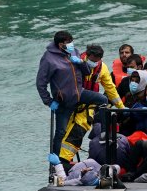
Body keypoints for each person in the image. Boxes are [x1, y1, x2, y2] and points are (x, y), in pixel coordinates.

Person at [36, 31, 109, 163]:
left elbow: (86, 71)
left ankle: (104, 132)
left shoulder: (74, 51)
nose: (71, 44)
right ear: (60, 44)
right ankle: (56, 163)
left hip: (79, 93)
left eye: (71, 41)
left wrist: (81, 62)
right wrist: (49, 101)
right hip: (63, 101)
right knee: (60, 132)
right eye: (67, 42)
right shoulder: (48, 59)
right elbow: (41, 83)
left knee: (103, 99)